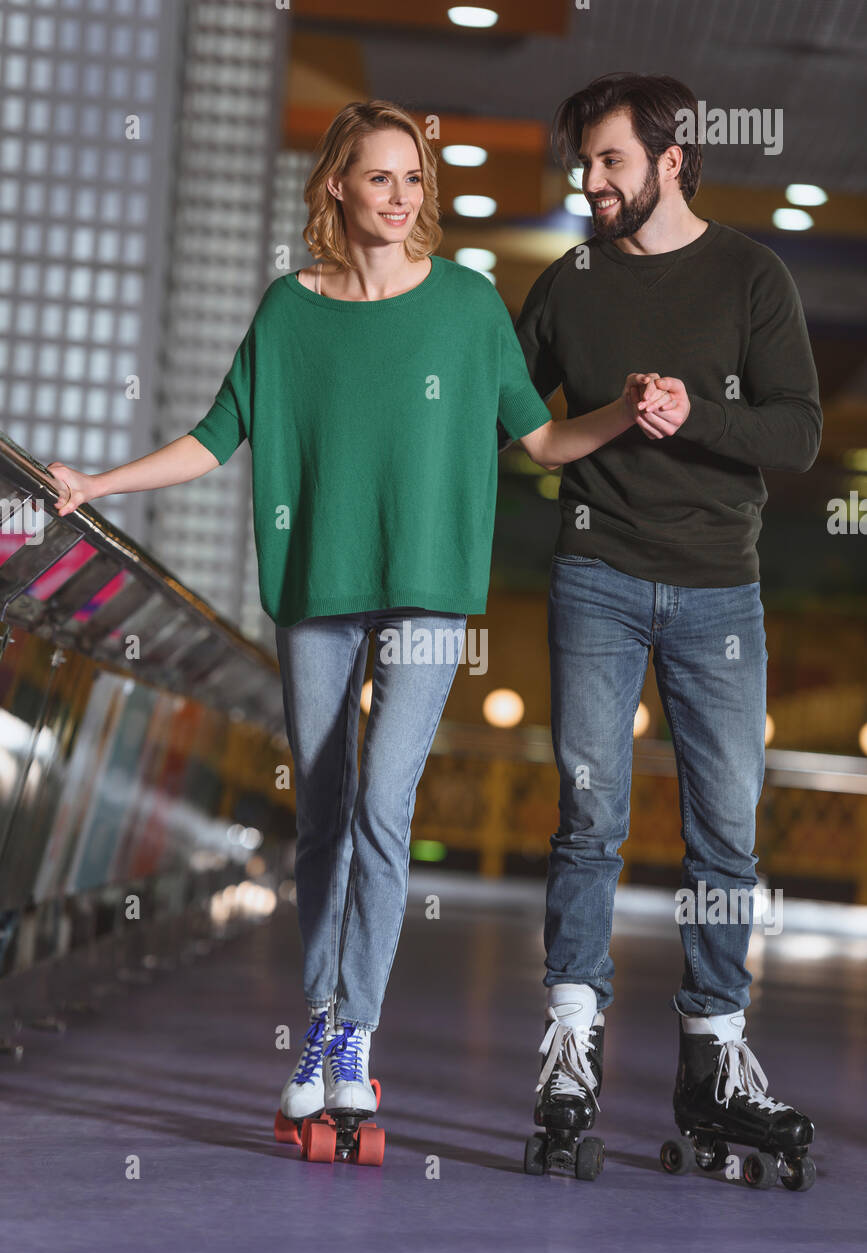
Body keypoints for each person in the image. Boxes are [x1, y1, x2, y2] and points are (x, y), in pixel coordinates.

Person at [48, 100, 669, 1161]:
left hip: (427, 591)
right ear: (337, 186)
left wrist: (623, 409)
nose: (401, 197)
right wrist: (95, 482)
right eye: (380, 178)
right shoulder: (290, 312)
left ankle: (348, 1036)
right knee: (328, 808)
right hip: (318, 585)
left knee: (387, 800)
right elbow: (214, 437)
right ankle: (321, 1026)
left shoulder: (470, 309)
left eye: (414, 180)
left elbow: (542, 438)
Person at [510, 73, 822, 1188]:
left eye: (608, 162)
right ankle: (572, 1054)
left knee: (726, 833)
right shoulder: (570, 283)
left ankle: (713, 1056)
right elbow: (514, 420)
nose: (588, 182)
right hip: (594, 570)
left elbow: (797, 433)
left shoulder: (751, 274)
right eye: (583, 164)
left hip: (718, 591)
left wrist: (699, 414)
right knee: (589, 814)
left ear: (670, 157)